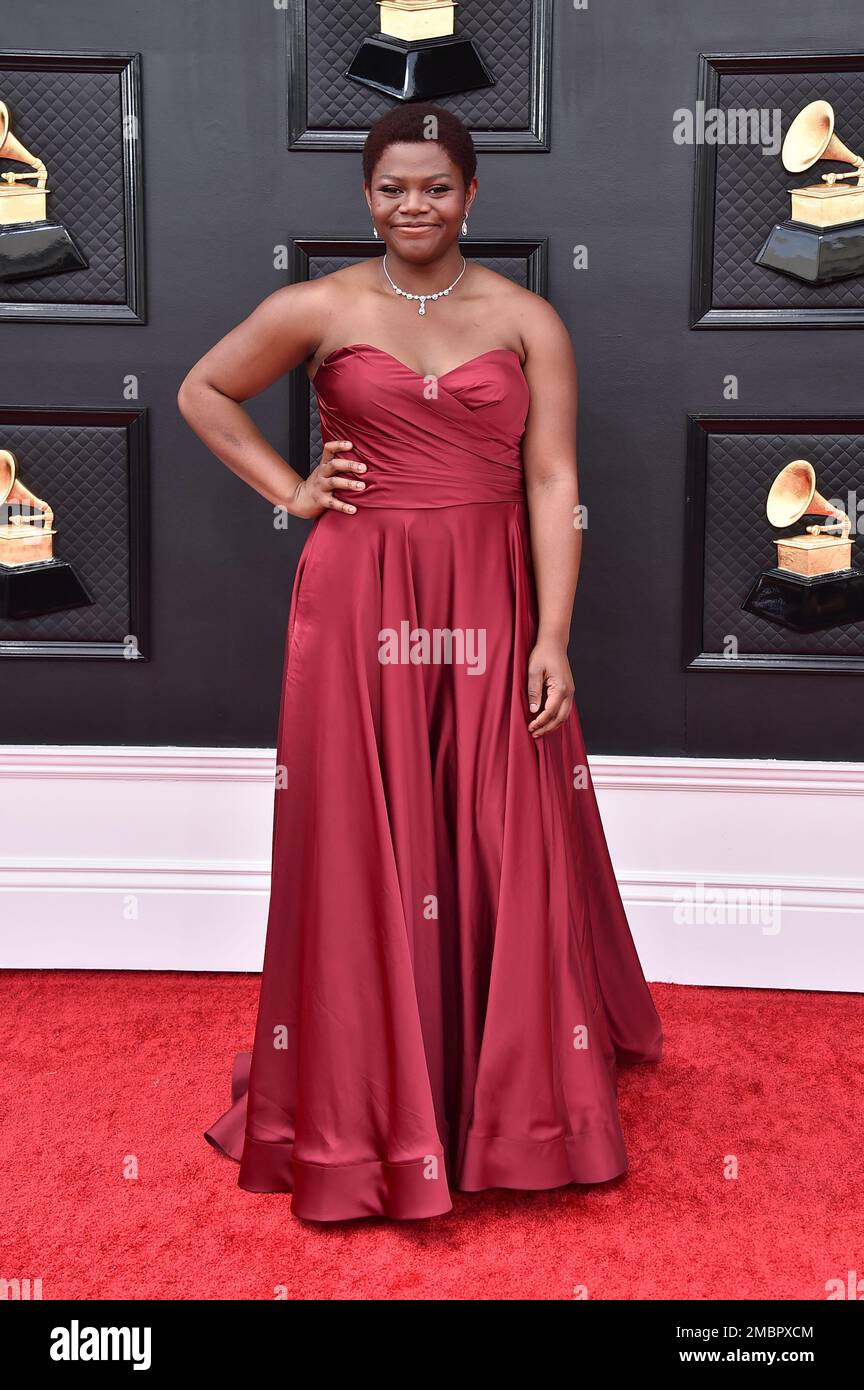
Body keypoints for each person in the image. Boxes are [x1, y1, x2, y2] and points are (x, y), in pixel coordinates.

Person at [177, 102, 662, 1223]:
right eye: (393, 186)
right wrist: (291, 491)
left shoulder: (527, 318)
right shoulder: (321, 305)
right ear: (366, 193)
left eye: (436, 187)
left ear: (472, 194)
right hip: (357, 603)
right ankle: (368, 1107)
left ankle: (510, 1107)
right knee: (364, 831)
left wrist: (551, 634)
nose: (413, 205)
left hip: (491, 600)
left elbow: (551, 481)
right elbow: (205, 390)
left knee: (502, 824)